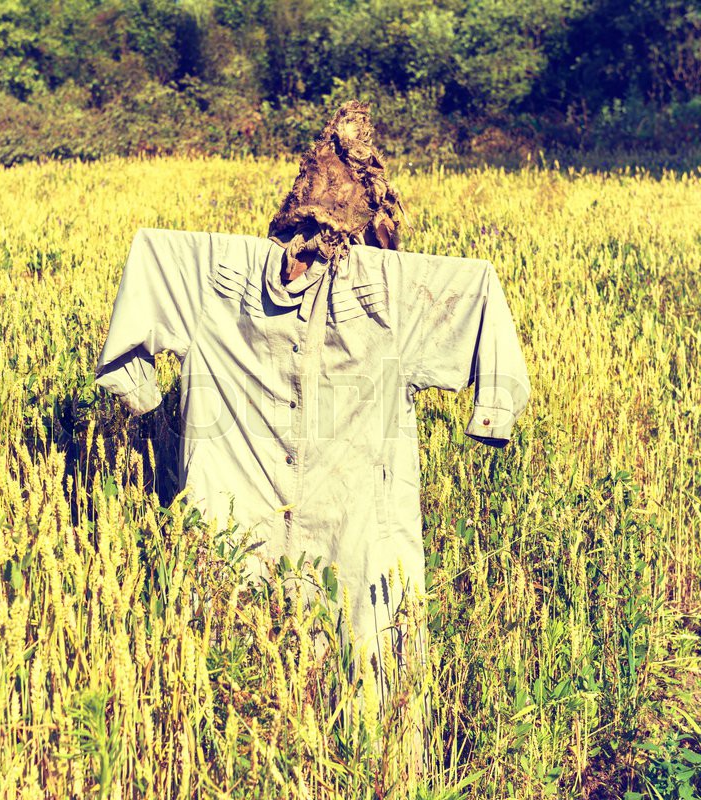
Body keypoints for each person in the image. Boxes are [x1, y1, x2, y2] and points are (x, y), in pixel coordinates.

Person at [94, 100, 530, 730]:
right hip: (235, 506)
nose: (311, 253)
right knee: (226, 654)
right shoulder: (214, 276)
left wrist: (494, 407)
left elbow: (479, 297)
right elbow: (150, 269)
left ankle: (357, 752)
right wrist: (140, 389)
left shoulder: (395, 288)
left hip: (354, 510)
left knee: (365, 634)